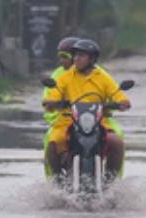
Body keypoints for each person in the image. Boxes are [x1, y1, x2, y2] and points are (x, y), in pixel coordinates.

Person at [42, 37, 130, 179]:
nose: (76, 59)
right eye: (75, 55)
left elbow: (116, 93)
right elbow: (54, 93)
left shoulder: (103, 77)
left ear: (92, 59)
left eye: (81, 55)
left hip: (98, 122)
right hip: (67, 122)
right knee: (52, 144)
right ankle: (56, 182)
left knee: (117, 142)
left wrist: (122, 102)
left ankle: (111, 182)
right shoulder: (64, 77)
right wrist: (52, 101)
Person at [41, 36, 80, 174]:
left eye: (65, 56)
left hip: (93, 119)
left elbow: (111, 94)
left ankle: (113, 178)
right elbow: (49, 99)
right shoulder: (58, 75)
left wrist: (115, 104)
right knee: (51, 143)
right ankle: (55, 180)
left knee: (117, 138)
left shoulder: (98, 74)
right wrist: (55, 105)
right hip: (63, 119)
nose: (61, 60)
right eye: (60, 56)